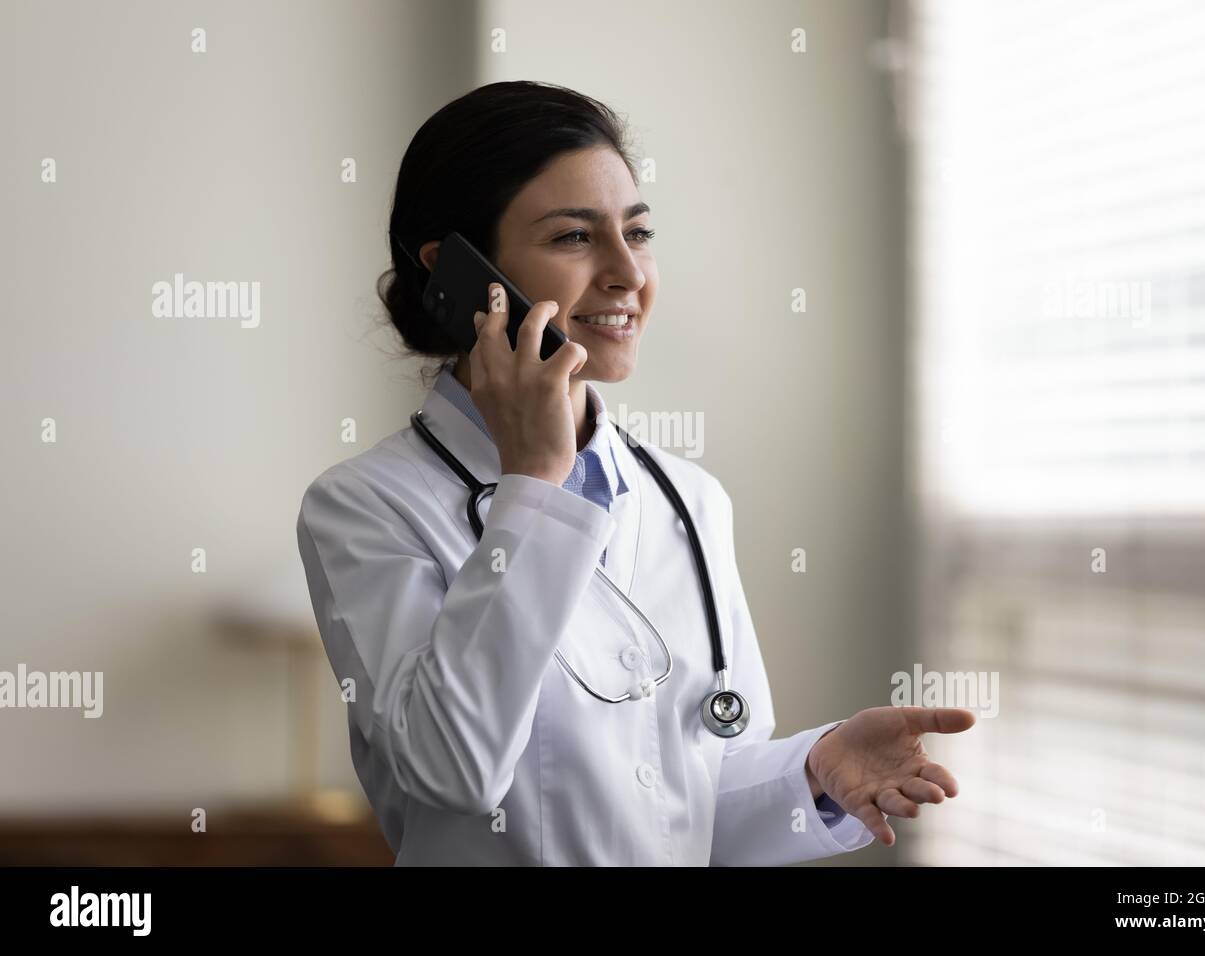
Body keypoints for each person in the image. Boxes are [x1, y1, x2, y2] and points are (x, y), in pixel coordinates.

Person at [296, 80, 974, 866]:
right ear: (457, 273)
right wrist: (534, 486)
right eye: (574, 238)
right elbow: (454, 770)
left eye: (639, 232)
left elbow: (690, 803)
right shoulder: (365, 507)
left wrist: (813, 773)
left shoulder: (690, 501)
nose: (626, 273)